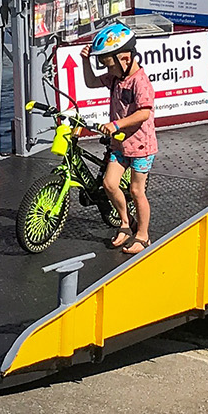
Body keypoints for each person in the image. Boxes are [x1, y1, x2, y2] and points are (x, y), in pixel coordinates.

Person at [82, 22, 156, 255]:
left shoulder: (140, 82)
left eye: (108, 64)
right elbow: (91, 82)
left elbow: (144, 112)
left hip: (141, 147)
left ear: (124, 59)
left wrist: (115, 124)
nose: (107, 69)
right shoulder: (116, 78)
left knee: (136, 192)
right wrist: (86, 62)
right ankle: (126, 223)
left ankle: (143, 236)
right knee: (109, 184)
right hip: (120, 145)